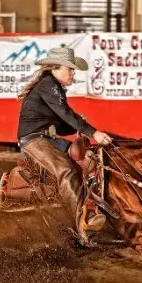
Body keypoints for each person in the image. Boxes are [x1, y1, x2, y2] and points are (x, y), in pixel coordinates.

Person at [17, 47, 113, 244]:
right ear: (55, 68)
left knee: (89, 160)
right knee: (66, 170)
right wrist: (92, 132)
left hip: (48, 139)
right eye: (69, 68)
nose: (73, 72)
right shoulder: (48, 85)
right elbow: (65, 114)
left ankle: (94, 209)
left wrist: (77, 125)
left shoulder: (53, 88)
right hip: (34, 139)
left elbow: (63, 120)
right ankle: (82, 228)